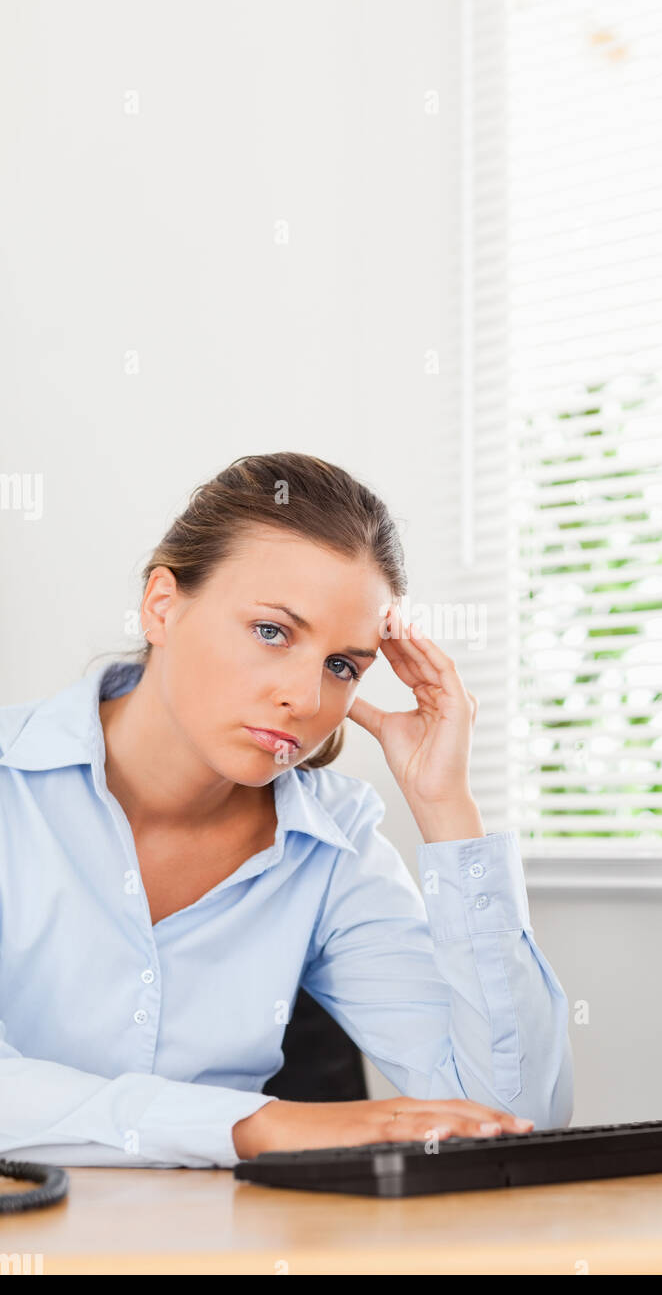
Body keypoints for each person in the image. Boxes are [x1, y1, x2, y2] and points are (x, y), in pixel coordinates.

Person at [0, 452, 574, 1169]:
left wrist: (447, 809)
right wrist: (255, 1126)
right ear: (162, 606)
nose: (305, 700)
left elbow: (518, 1119)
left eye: (342, 666)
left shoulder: (334, 842)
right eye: (272, 632)